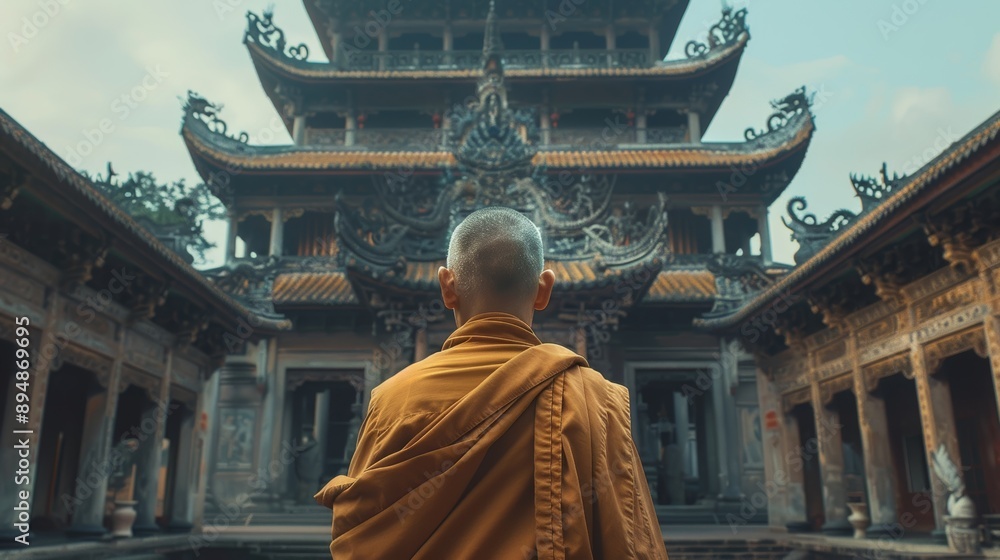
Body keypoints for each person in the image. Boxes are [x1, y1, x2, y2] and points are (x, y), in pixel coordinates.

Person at [315, 207, 668, 559]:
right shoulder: (596, 399)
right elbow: (632, 542)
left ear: (447, 287)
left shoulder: (393, 398)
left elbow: (361, 537)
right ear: (544, 290)